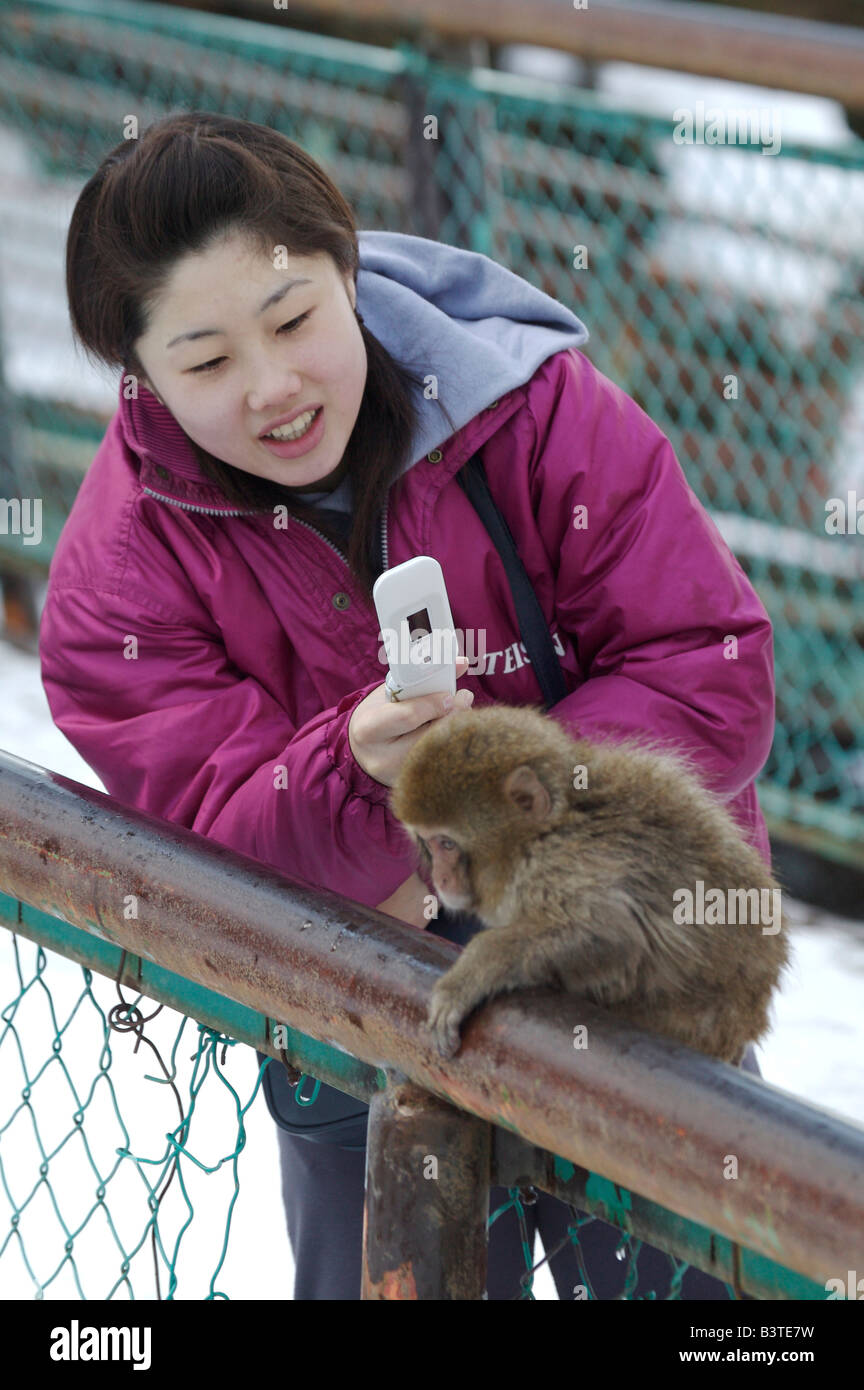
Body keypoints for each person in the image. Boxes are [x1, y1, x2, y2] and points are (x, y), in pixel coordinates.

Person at [41, 111, 773, 1301]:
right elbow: (208, 847)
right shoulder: (118, 580)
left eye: (294, 321)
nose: (274, 388)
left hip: (627, 972)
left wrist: (491, 792)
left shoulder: (534, 411)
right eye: (209, 361)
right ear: (141, 372)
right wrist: (354, 772)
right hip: (355, 1020)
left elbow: (711, 660)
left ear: (349, 269)